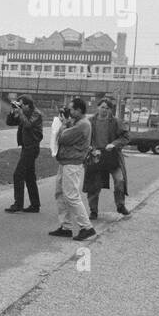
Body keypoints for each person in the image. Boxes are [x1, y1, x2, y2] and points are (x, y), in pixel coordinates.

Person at [48, 97, 95, 241]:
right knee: (60, 194)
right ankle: (65, 226)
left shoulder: (83, 124)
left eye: (72, 109)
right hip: (65, 161)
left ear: (79, 110)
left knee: (71, 195)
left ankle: (86, 227)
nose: (70, 111)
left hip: (73, 163)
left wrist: (62, 125)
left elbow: (62, 138)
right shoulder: (77, 122)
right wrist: (67, 122)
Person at [84, 97, 130, 218]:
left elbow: (125, 137)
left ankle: (120, 205)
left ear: (110, 110)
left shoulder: (116, 122)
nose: (104, 110)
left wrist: (114, 144)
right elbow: (84, 137)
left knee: (120, 180)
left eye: (107, 108)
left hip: (112, 156)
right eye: (102, 107)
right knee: (94, 184)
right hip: (96, 156)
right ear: (98, 107)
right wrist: (89, 147)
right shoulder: (90, 122)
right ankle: (93, 210)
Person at [4, 94, 44, 213]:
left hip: (32, 148)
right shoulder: (23, 113)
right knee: (29, 177)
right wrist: (12, 111)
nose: (19, 107)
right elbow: (10, 122)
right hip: (26, 147)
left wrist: (20, 113)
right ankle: (35, 205)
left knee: (18, 174)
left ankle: (18, 204)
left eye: (21, 104)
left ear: (27, 104)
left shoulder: (36, 113)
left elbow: (28, 125)